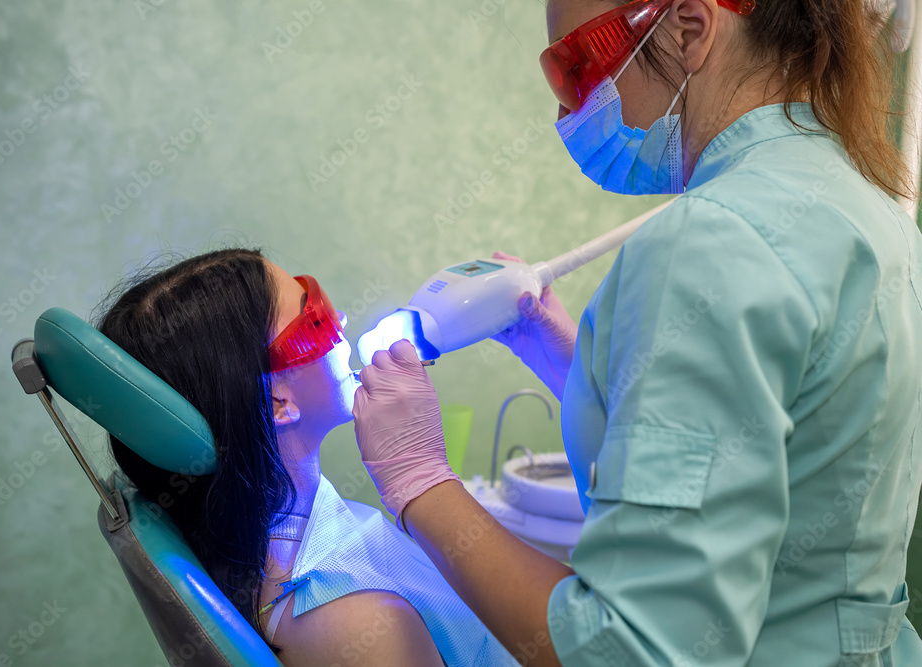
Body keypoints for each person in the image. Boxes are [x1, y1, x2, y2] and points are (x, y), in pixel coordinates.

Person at [352, 0, 922, 665]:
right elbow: (756, 440)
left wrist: (418, 479)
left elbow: (630, 648)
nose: (571, 111)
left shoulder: (710, 241)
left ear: (689, 28)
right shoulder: (868, 207)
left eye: (577, 67)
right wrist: (572, 358)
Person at [95, 248, 519, 666]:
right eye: (316, 318)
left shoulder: (280, 531)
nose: (343, 321)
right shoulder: (361, 628)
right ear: (278, 402)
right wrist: (422, 476)